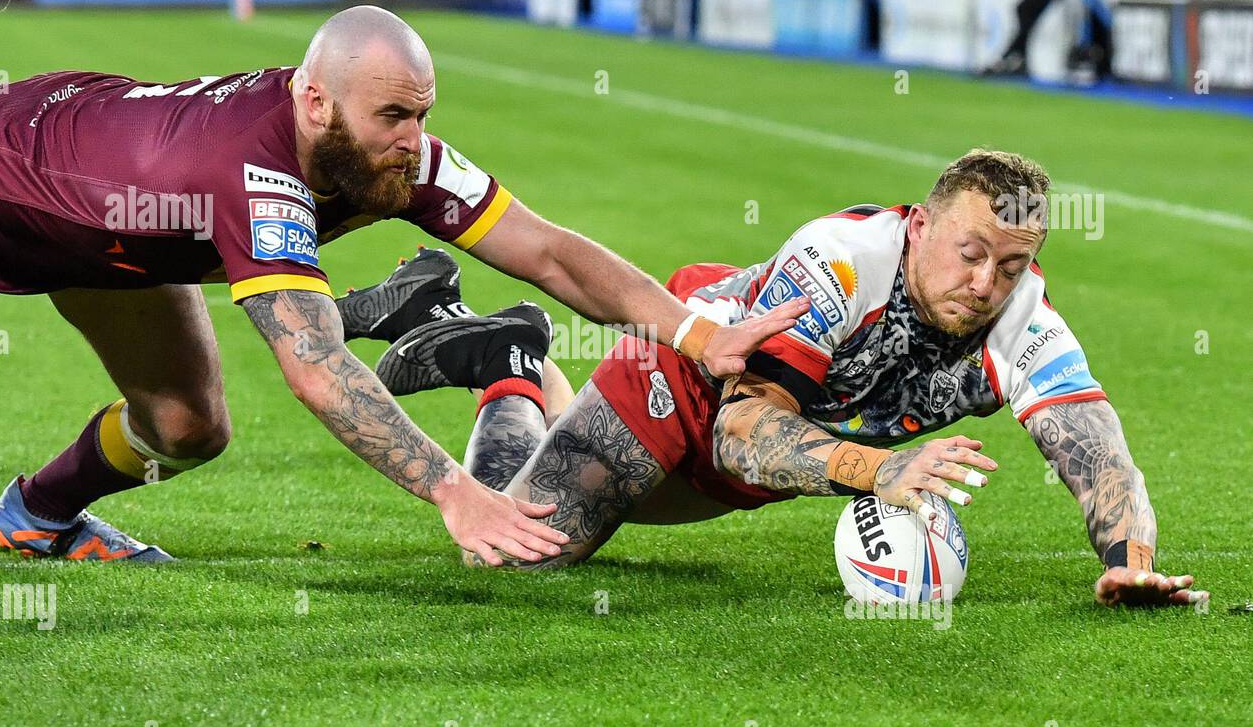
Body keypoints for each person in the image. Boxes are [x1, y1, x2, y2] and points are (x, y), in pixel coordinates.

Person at [0, 5, 805, 567]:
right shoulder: (254, 172)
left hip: (105, 238)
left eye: (423, 114)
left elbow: (545, 251)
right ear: (316, 103)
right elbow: (317, 367)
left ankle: (37, 514)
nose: (414, 140)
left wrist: (694, 332)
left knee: (184, 426)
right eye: (394, 118)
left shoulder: (388, 155)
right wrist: (453, 491)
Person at [376, 149, 1206, 608]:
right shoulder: (842, 265)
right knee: (516, 553)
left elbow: (1097, 455)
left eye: (1011, 264)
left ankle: (526, 362)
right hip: (695, 380)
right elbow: (739, 435)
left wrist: (1129, 559)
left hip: (794, 448)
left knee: (614, 509)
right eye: (971, 252)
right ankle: (507, 365)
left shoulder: (1026, 321)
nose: (986, 283)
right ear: (918, 229)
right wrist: (883, 471)